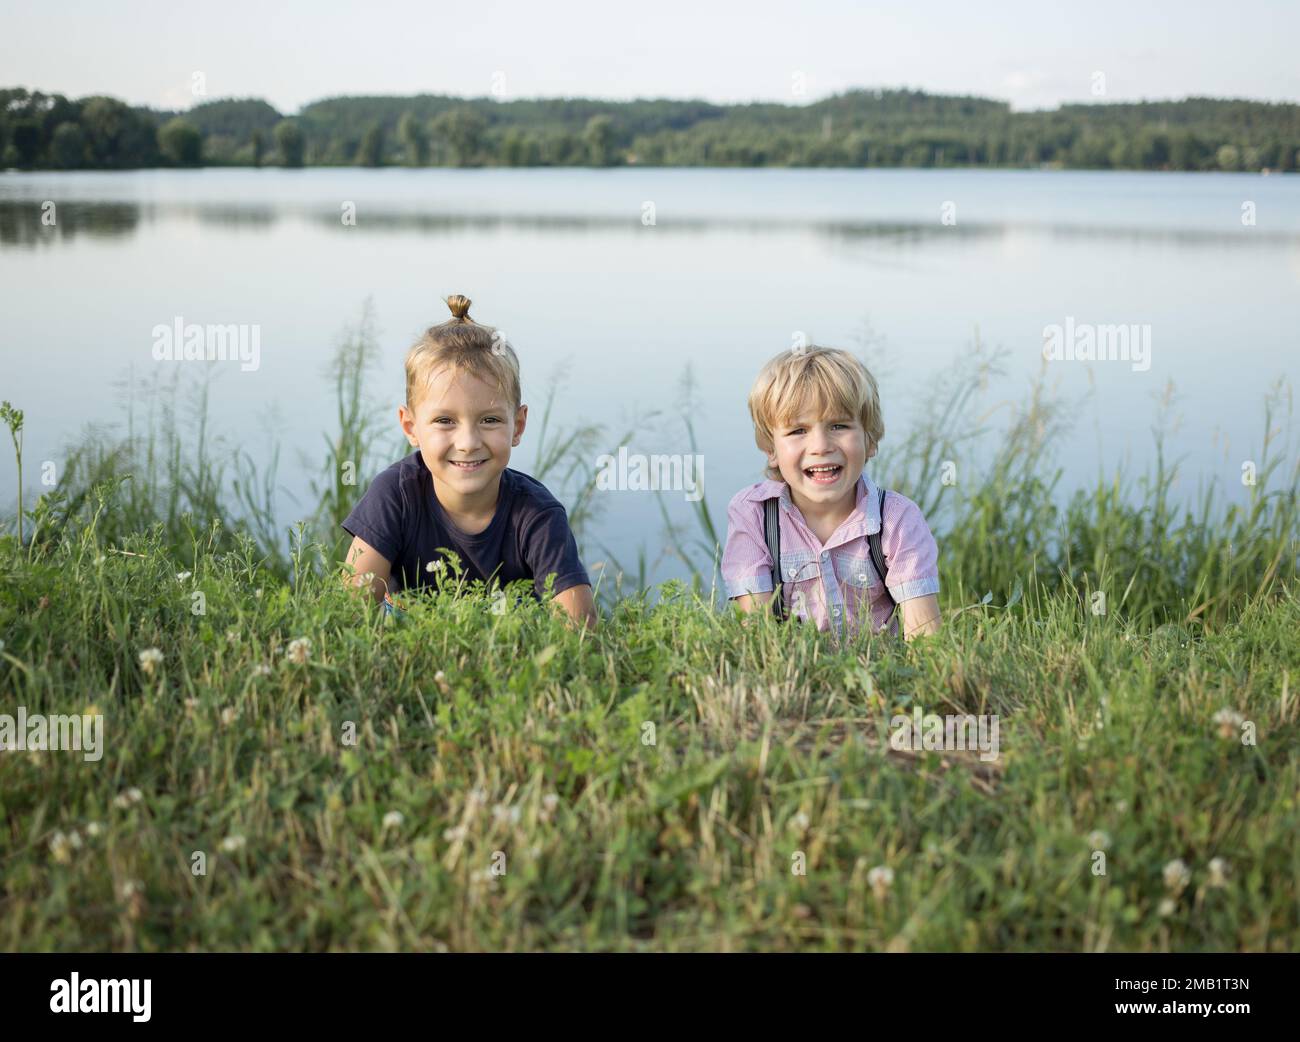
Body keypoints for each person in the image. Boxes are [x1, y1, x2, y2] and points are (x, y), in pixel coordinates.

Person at [340, 294, 597, 628]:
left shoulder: (538, 516)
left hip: (510, 656)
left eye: (489, 420)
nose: (468, 443)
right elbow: (350, 608)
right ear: (410, 426)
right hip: (415, 650)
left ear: (517, 426)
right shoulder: (396, 495)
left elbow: (580, 628)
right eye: (445, 421)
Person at [721, 345, 941, 641]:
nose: (821, 446)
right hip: (793, 677)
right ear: (771, 449)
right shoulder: (755, 515)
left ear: (870, 440)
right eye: (798, 430)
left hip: (881, 676)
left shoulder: (897, 520)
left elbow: (926, 638)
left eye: (839, 425)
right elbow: (755, 636)